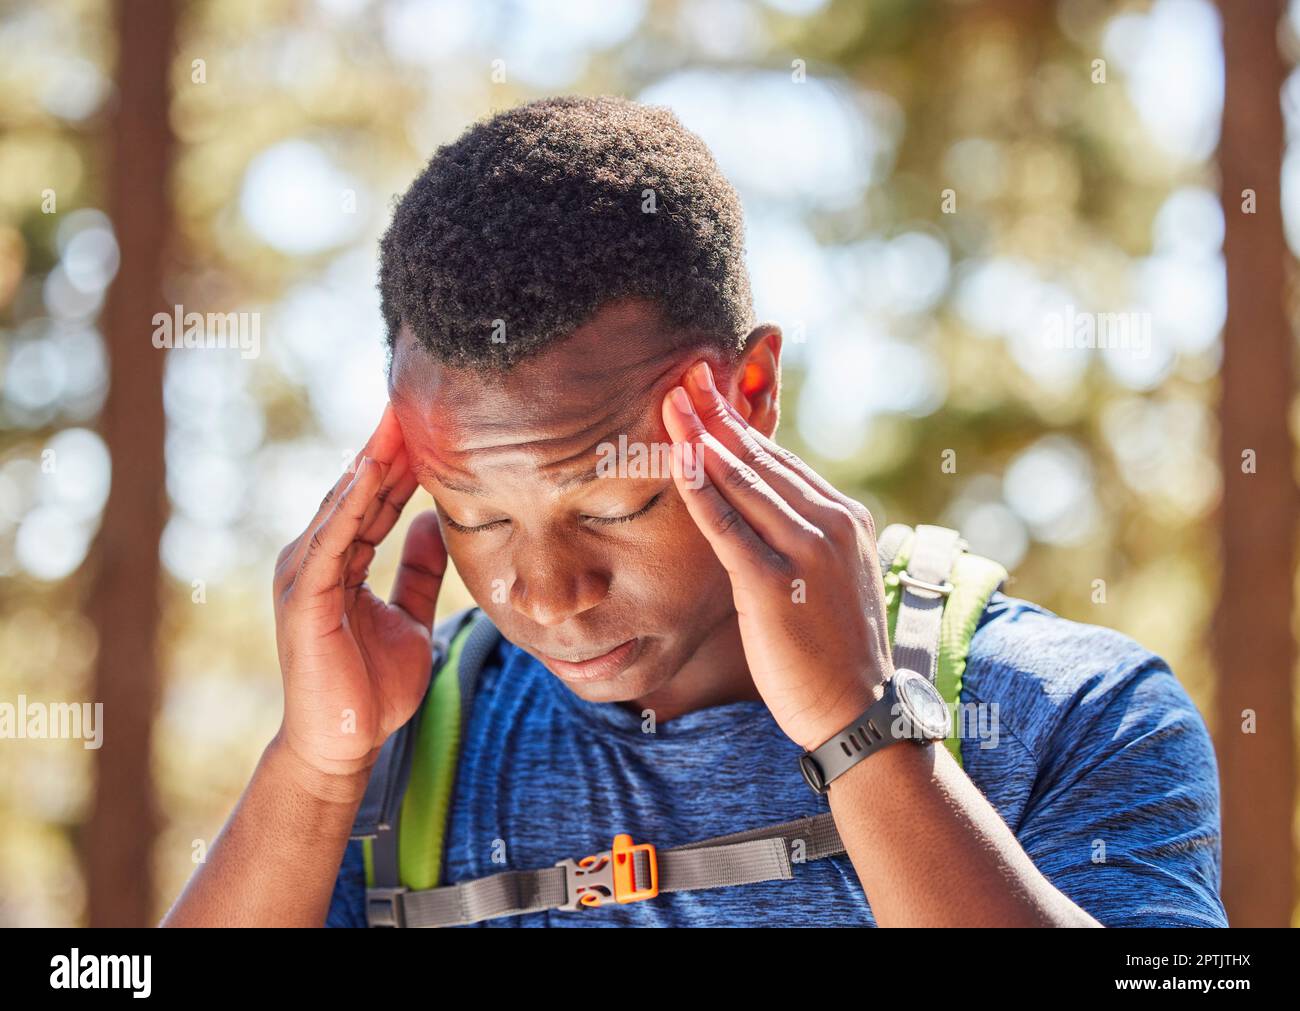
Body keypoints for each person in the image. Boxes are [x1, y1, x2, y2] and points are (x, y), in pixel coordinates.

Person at [161, 96, 1228, 928]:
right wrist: (313, 770)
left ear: (750, 396)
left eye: (614, 500)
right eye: (476, 517)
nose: (546, 593)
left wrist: (863, 735)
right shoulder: (398, 761)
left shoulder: (1068, 711)